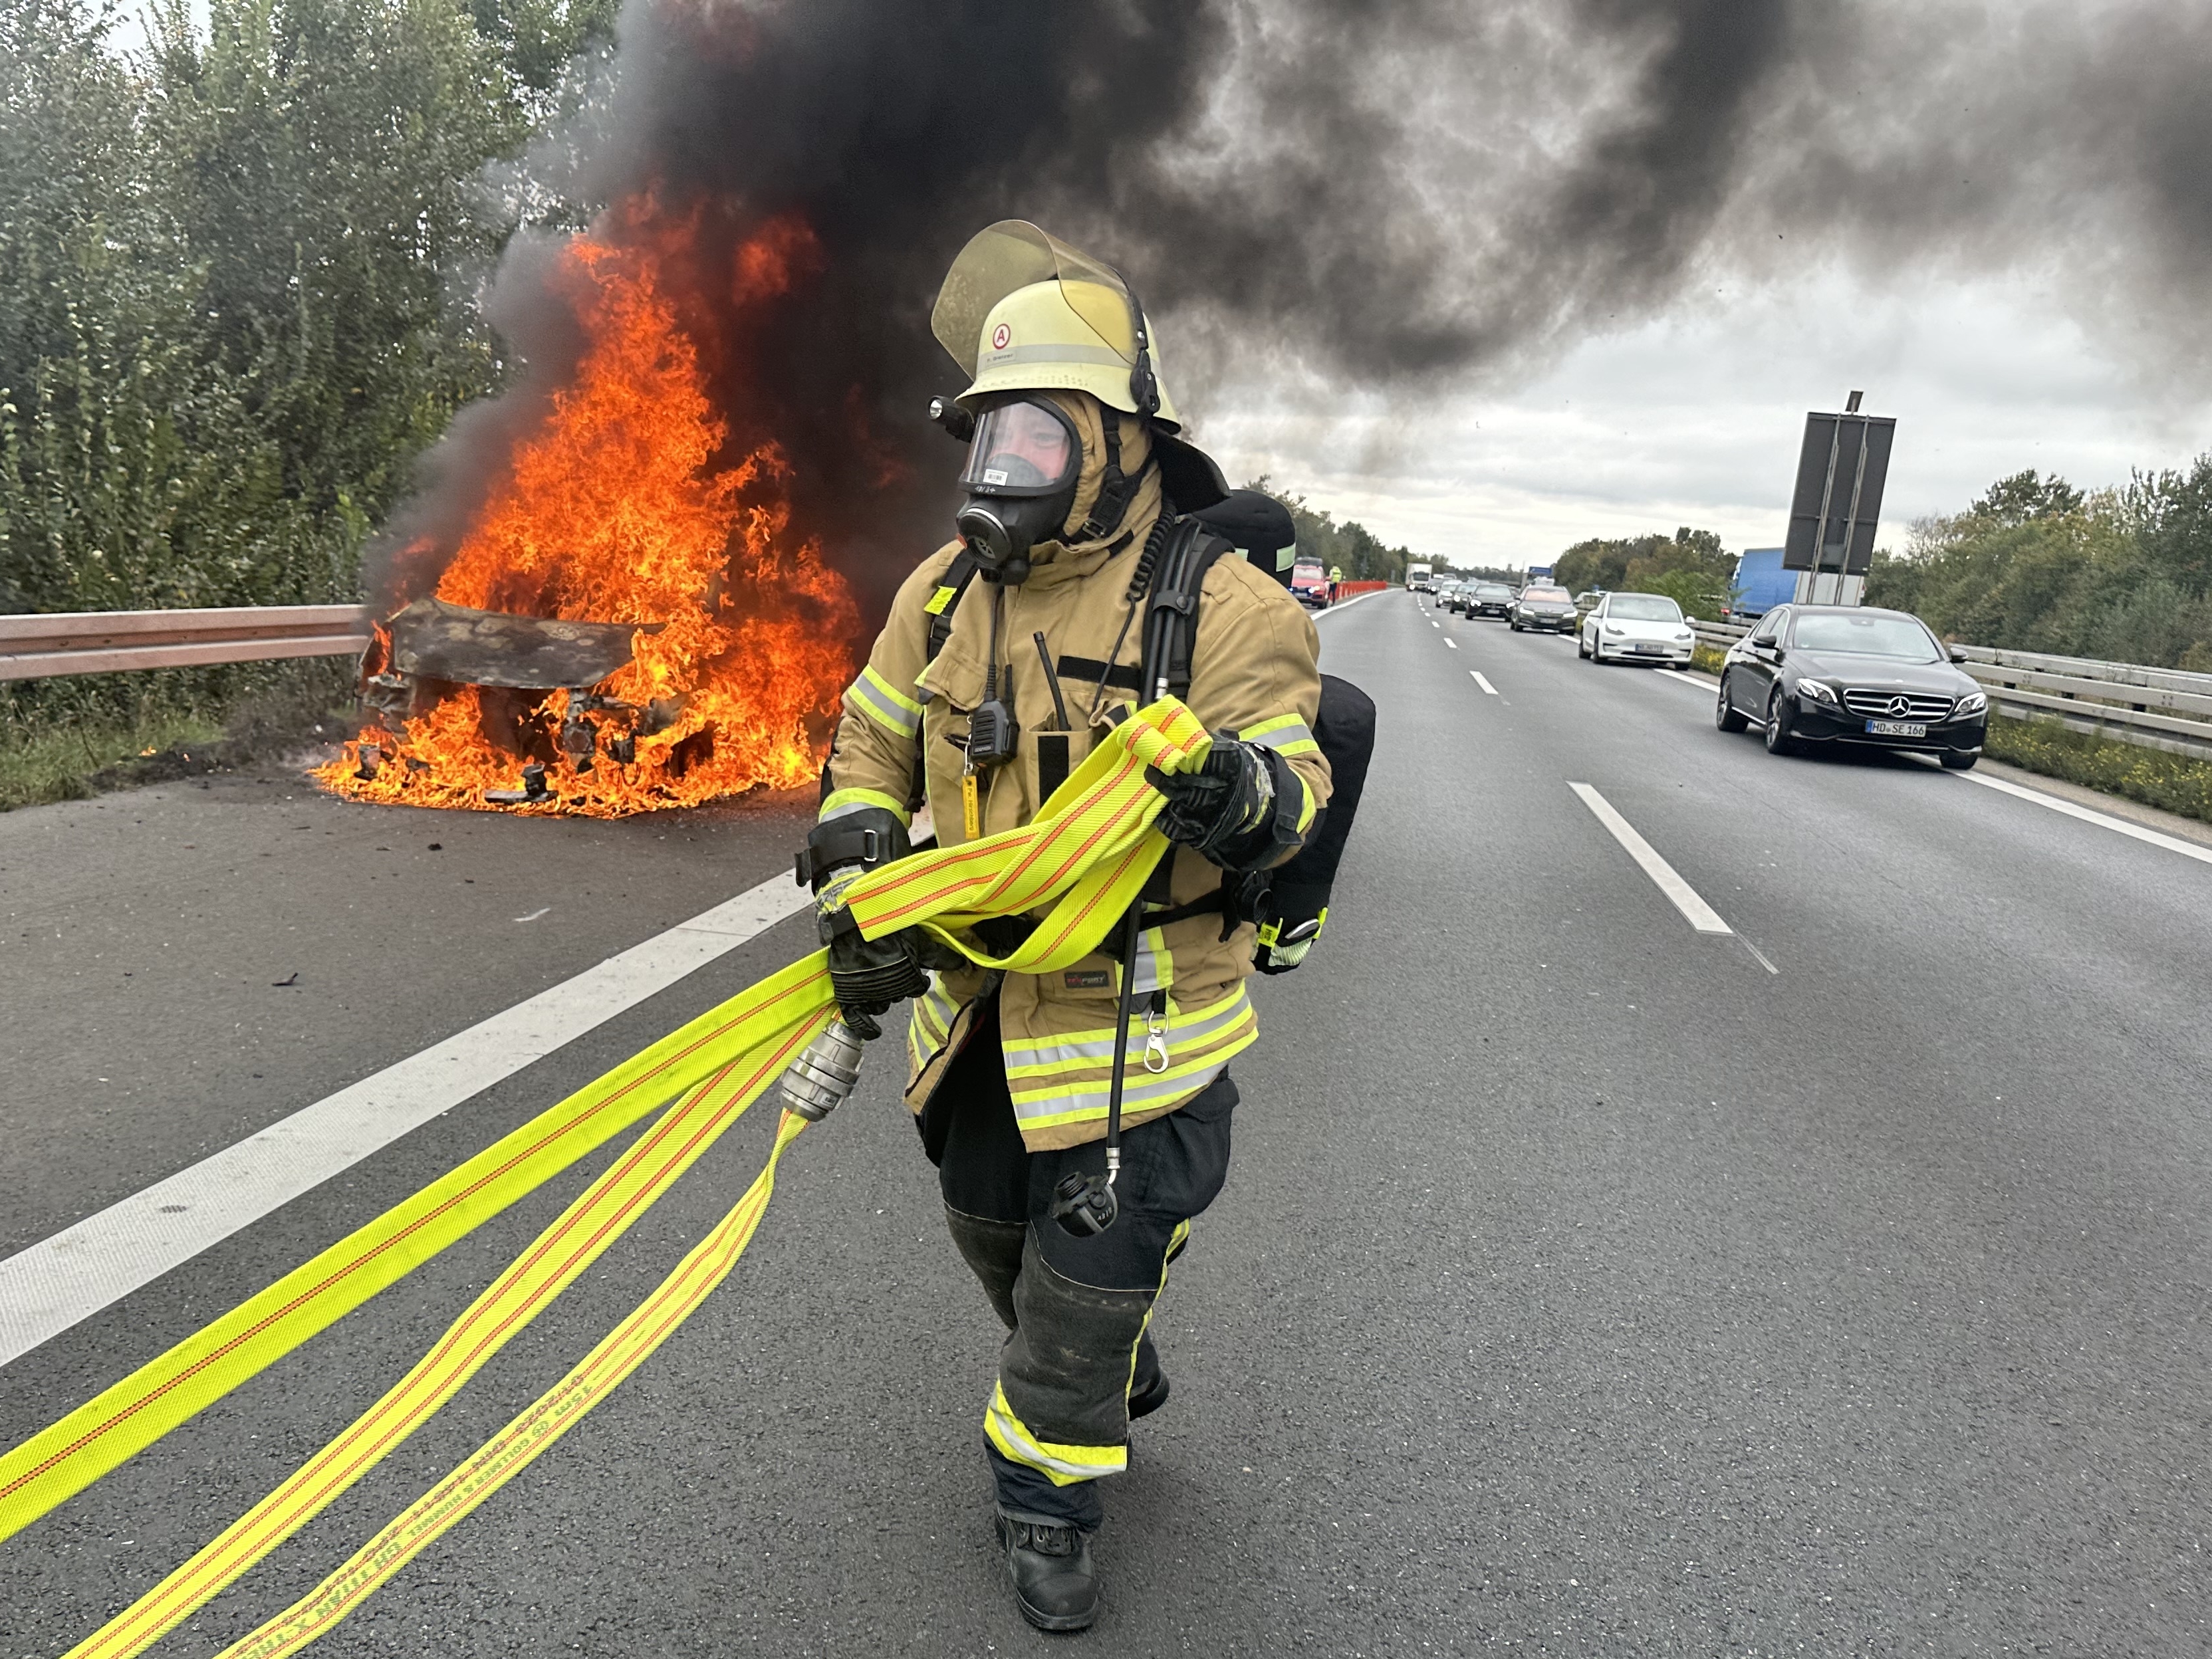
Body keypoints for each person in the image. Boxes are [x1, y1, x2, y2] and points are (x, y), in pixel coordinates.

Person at [796, 222, 1331, 1632]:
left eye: (1034, 435)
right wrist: (860, 835)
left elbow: (1294, 791)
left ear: (1121, 443)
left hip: (1138, 1031)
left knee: (1083, 1286)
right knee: (995, 1240)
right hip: (976, 1011)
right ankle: (1102, 1351)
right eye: (987, 436)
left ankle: (1045, 1500)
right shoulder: (944, 592)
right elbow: (871, 740)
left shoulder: (1226, 610)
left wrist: (1232, 788)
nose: (1000, 467)